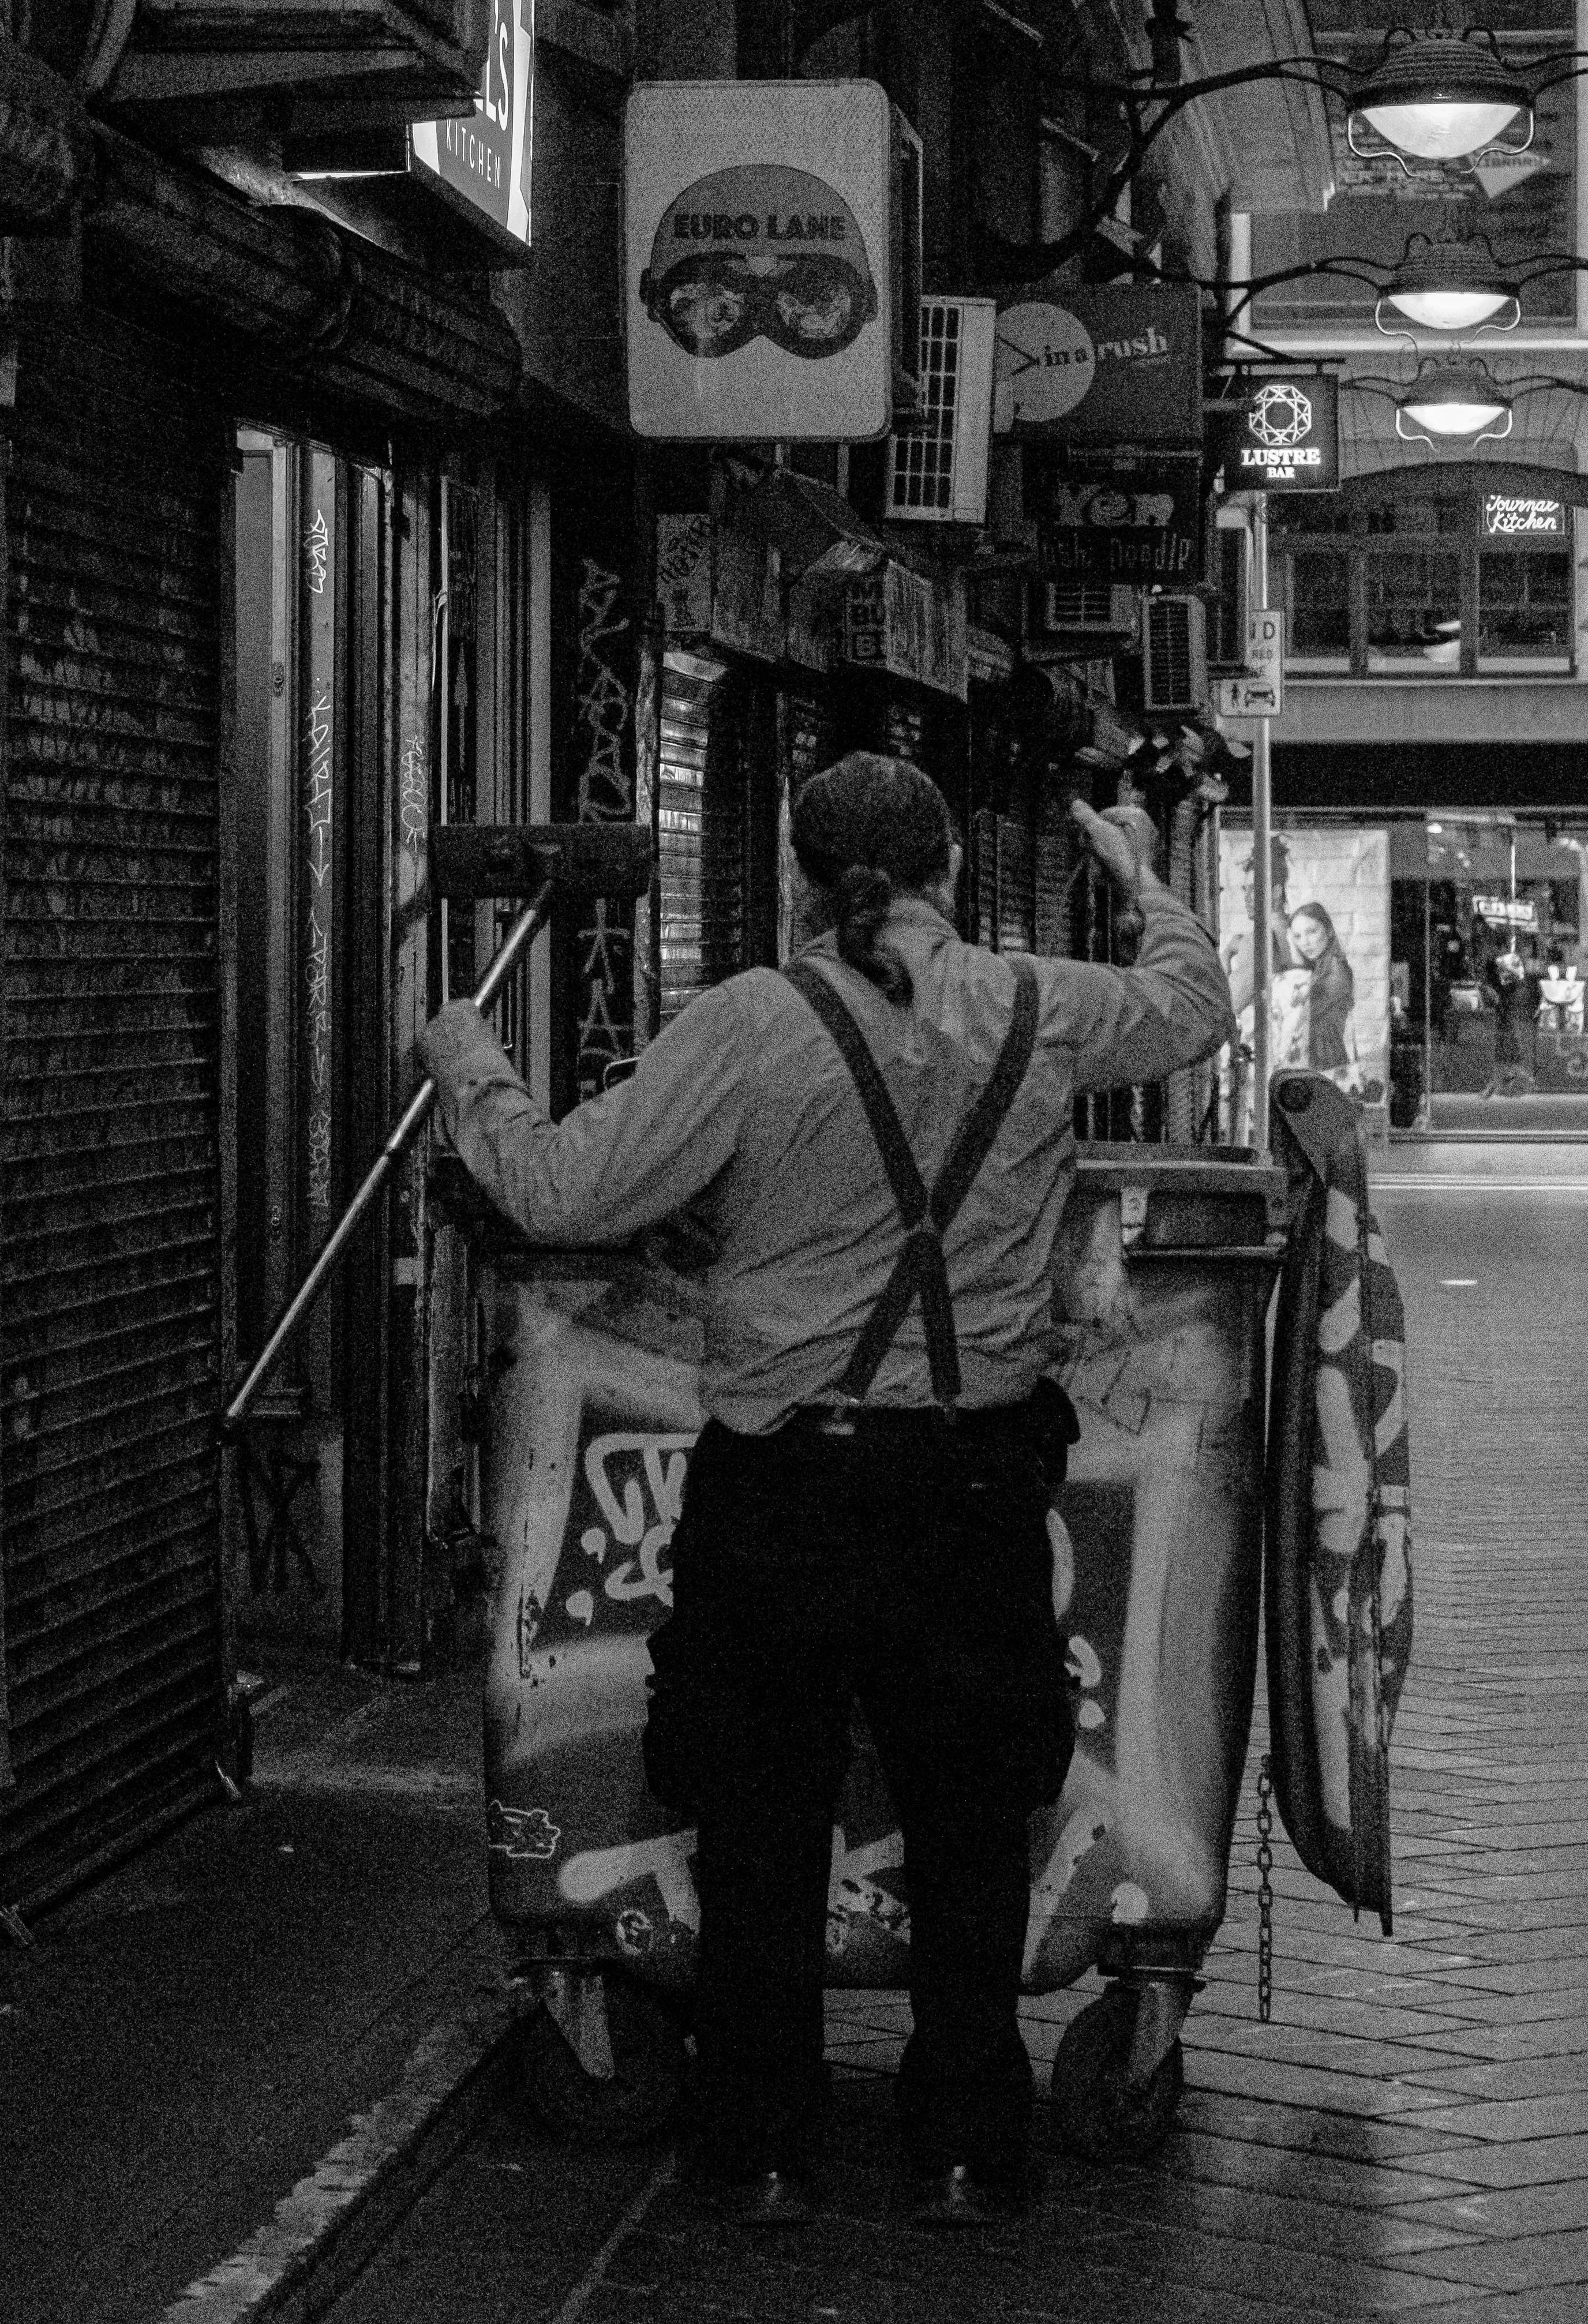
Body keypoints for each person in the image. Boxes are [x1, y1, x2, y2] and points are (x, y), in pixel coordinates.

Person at [417, 754, 1233, 2229]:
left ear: (798, 876)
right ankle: (969, 2150)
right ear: (955, 874)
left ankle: (762, 2145)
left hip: (781, 1488)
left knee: (762, 1812)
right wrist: (1135, 870)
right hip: (975, 1488)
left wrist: (467, 1054)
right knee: (978, 1821)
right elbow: (1192, 1004)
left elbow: (554, 1191)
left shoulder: (746, 1022)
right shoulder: (1041, 1004)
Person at [1286, 900, 1356, 1079]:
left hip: (1327, 1064)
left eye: (1311, 932)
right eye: (1297, 936)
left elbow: (1302, 1015)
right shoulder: (1317, 968)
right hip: (1316, 1061)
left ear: (1329, 931)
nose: (1305, 942)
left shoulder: (1336, 969)